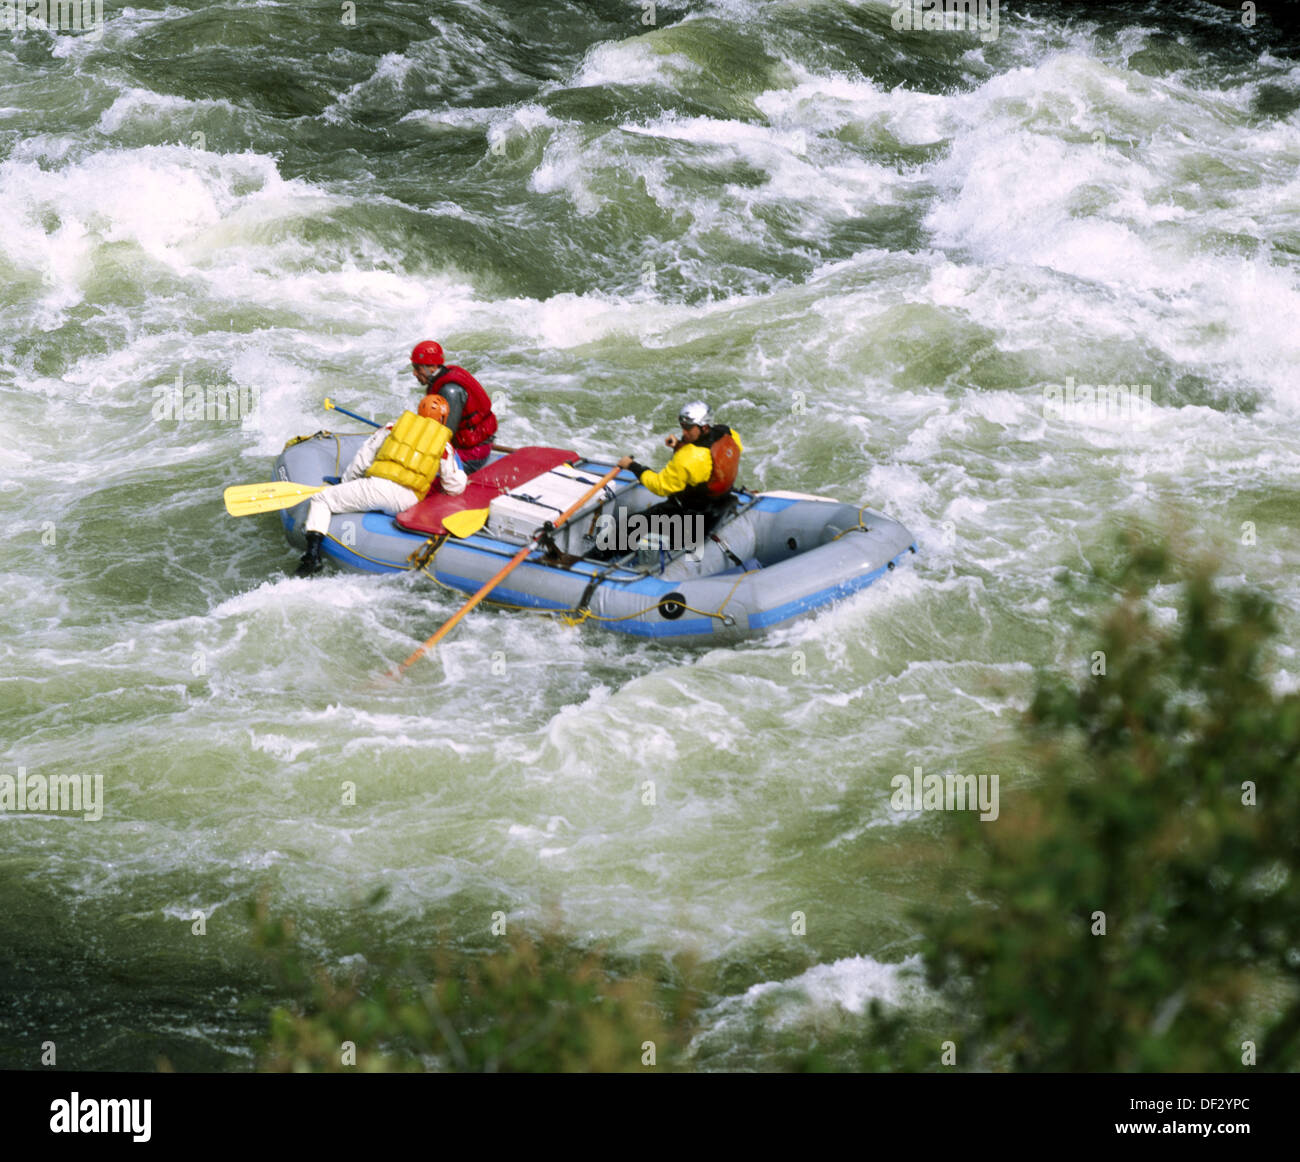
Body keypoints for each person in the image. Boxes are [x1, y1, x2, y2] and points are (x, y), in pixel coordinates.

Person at [294, 394, 467, 577]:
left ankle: (312, 556)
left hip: (377, 489)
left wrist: (347, 482)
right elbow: (454, 486)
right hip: (408, 501)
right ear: (443, 419)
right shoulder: (445, 446)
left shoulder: (393, 427)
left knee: (321, 499)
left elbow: (362, 460)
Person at [616, 400, 743, 548]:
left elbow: (660, 486)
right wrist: (679, 445)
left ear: (704, 427)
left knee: (629, 526)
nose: (684, 432)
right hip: (721, 503)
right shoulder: (729, 434)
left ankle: (598, 558)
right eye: (683, 427)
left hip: (692, 517)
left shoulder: (689, 457)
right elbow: (706, 460)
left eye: (688, 428)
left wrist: (633, 466)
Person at [409, 340, 498, 473]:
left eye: (418, 368)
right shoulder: (441, 379)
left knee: (416, 469)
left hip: (472, 454)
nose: (414, 373)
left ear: (432, 367)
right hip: (467, 446)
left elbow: (444, 438)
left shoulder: (450, 391)